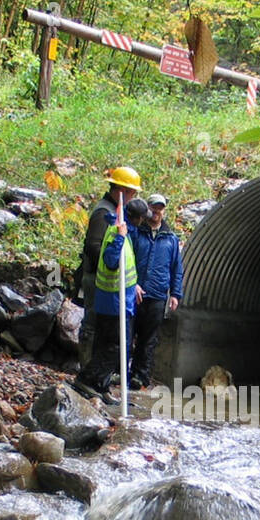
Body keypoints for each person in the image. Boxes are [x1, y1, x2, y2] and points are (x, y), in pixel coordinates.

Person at [73, 197, 148, 404]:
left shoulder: (123, 229)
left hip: (119, 299)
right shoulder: (117, 233)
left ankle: (102, 387)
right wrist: (120, 238)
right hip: (113, 301)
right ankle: (87, 379)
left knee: (111, 344)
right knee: (114, 347)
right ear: (138, 218)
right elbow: (111, 260)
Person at [78, 166, 141, 365]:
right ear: (122, 191)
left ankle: (95, 370)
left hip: (105, 281)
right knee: (92, 325)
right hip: (98, 280)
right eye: (132, 193)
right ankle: (86, 366)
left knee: (103, 328)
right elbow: (93, 247)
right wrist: (111, 268)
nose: (133, 197)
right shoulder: (103, 213)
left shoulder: (115, 212)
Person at [126, 193, 183, 389]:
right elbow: (127, 259)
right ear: (147, 209)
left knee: (148, 340)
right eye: (153, 207)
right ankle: (121, 372)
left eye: (160, 208)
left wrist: (175, 294)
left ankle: (140, 377)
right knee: (128, 335)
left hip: (157, 296)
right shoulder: (135, 232)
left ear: (163, 210)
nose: (156, 211)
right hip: (135, 293)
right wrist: (131, 284)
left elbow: (176, 268)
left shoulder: (170, 239)